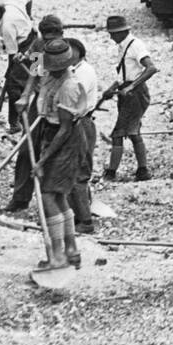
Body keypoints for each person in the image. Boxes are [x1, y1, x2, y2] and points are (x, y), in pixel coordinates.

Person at [30, 39, 84, 270]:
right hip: (51, 133)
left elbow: (64, 130)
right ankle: (72, 250)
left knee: (48, 194)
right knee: (59, 195)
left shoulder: (69, 86)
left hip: (66, 140)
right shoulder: (53, 76)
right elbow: (35, 66)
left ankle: (58, 255)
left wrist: (42, 160)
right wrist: (25, 94)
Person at [4, 14, 64, 213]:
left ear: (60, 34)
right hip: (39, 101)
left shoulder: (67, 51)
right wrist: (25, 95)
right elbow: (35, 71)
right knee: (25, 150)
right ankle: (20, 198)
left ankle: (60, 204)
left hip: (61, 104)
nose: (47, 43)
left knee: (56, 152)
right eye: (44, 39)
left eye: (50, 39)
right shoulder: (39, 45)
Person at [105, 14, 158, 182]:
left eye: (112, 33)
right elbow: (124, 73)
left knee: (118, 133)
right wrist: (112, 88)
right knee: (133, 132)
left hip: (135, 94)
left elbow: (151, 68)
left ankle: (111, 173)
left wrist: (131, 86)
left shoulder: (136, 45)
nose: (111, 36)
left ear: (121, 32)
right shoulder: (123, 46)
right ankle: (143, 171)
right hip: (127, 93)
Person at [66, 39, 101, 235]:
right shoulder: (72, 69)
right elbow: (38, 76)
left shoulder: (83, 71)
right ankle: (79, 212)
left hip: (80, 122)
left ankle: (85, 220)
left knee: (79, 172)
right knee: (73, 169)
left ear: (78, 53)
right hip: (76, 121)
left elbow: (74, 99)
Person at [0, 0, 36, 134]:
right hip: (34, 37)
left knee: (14, 85)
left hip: (27, 49)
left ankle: (16, 123)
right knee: (38, 77)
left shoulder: (6, 26)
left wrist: (10, 71)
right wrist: (29, 16)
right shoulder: (13, 2)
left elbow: (12, 55)